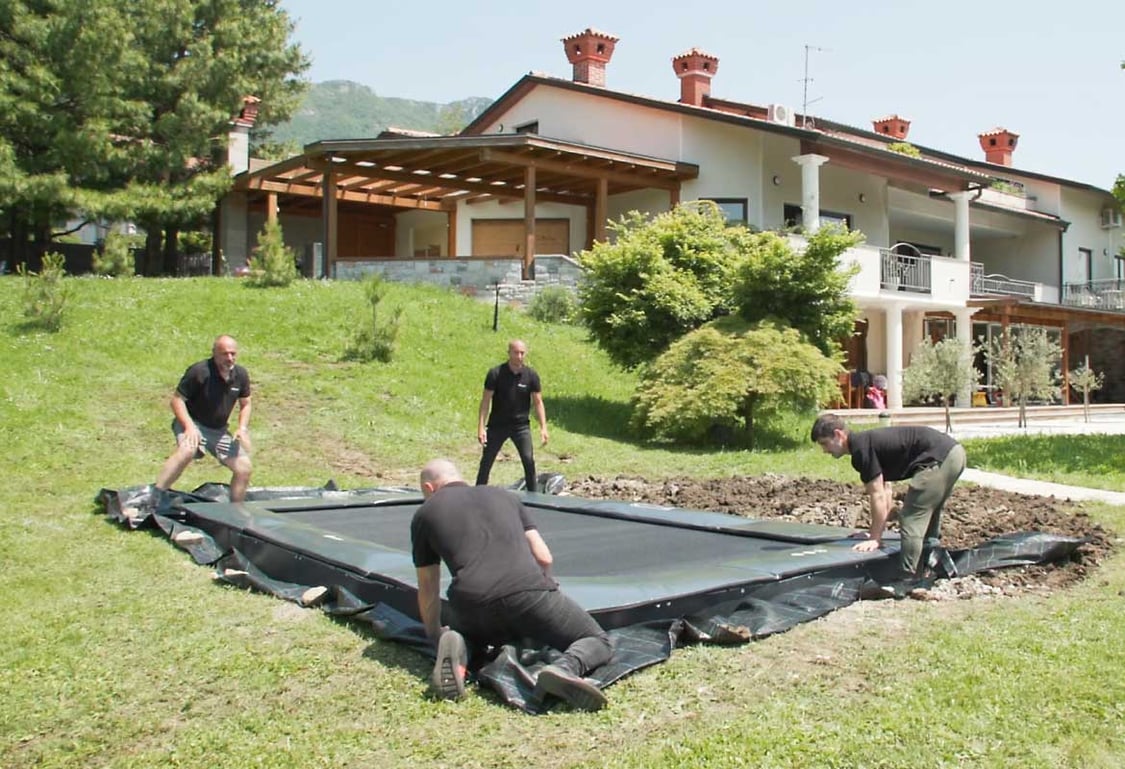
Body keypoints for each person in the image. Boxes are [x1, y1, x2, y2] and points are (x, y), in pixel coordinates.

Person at [411, 458, 612, 711]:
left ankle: (461, 646)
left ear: (429, 488)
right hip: (527, 594)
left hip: (470, 602)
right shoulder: (504, 496)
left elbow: (428, 586)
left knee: (472, 633)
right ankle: (563, 669)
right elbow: (543, 557)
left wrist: (433, 634)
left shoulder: (425, 513)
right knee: (596, 639)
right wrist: (547, 589)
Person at [810, 414, 966, 579]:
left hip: (940, 456)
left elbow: (877, 495)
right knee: (928, 514)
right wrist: (875, 533)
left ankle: (907, 579)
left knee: (911, 517)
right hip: (954, 453)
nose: (825, 451)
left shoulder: (861, 450)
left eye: (825, 444)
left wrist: (875, 539)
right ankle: (931, 566)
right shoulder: (867, 443)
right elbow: (886, 492)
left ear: (838, 435)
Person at [155, 335, 253, 502]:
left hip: (218, 430)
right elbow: (176, 400)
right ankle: (155, 496)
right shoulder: (200, 372)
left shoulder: (240, 374)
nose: (229, 358)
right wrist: (189, 427)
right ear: (214, 353)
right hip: (192, 422)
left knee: (244, 468)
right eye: (224, 354)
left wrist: (242, 428)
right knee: (187, 451)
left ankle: (236, 510)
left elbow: (246, 403)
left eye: (233, 353)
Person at [475, 339, 548, 491]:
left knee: (528, 460)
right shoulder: (496, 373)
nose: (519, 356)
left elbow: (538, 402)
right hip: (497, 425)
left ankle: (533, 496)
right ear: (509, 353)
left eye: (522, 353)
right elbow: (485, 401)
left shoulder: (531, 375)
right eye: (516, 352)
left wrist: (543, 427)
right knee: (487, 461)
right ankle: (478, 493)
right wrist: (481, 427)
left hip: (520, 427)